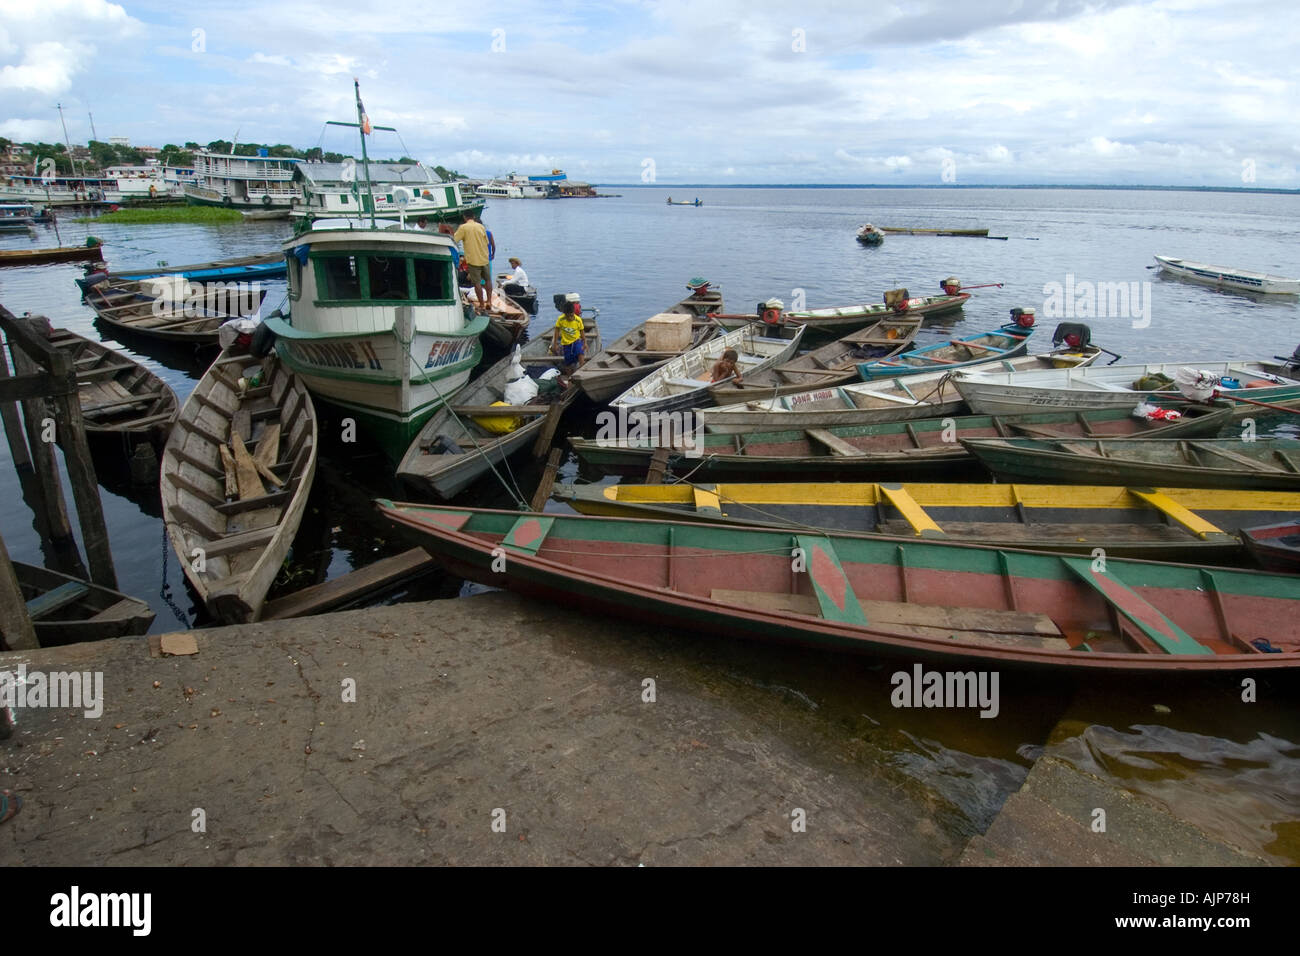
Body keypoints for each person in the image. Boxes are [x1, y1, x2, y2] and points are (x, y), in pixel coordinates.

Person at [451, 210, 491, 309]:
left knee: (476, 283)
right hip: (484, 258)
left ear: (464, 217)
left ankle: (482, 304)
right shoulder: (481, 227)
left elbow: (453, 240)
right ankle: (489, 301)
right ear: (473, 216)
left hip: (473, 260)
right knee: (488, 280)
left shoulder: (463, 227)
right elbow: (486, 242)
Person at [550, 294, 586, 373]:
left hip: (576, 341)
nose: (570, 318)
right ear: (564, 314)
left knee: (580, 353)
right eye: (568, 316)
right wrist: (555, 344)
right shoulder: (561, 319)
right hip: (566, 344)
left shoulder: (578, 320)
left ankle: (582, 369)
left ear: (574, 312)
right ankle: (569, 377)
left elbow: (582, 331)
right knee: (568, 363)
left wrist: (584, 343)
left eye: (571, 315)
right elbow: (556, 331)